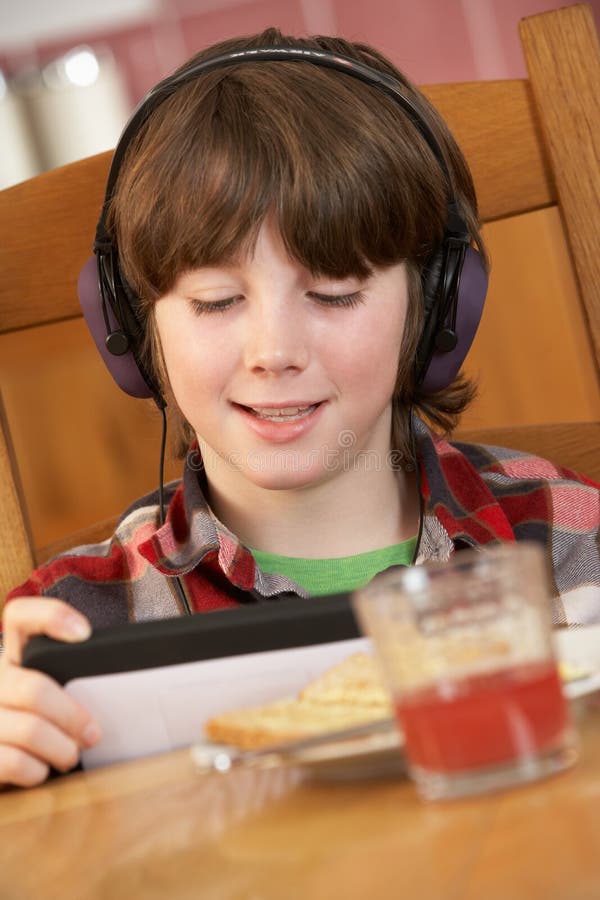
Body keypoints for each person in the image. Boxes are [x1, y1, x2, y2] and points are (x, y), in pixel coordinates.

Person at [1, 28, 598, 789]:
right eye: (216, 302)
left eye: (333, 293)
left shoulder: (578, 543)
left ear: (442, 306)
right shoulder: (65, 632)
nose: (273, 351)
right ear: (131, 329)